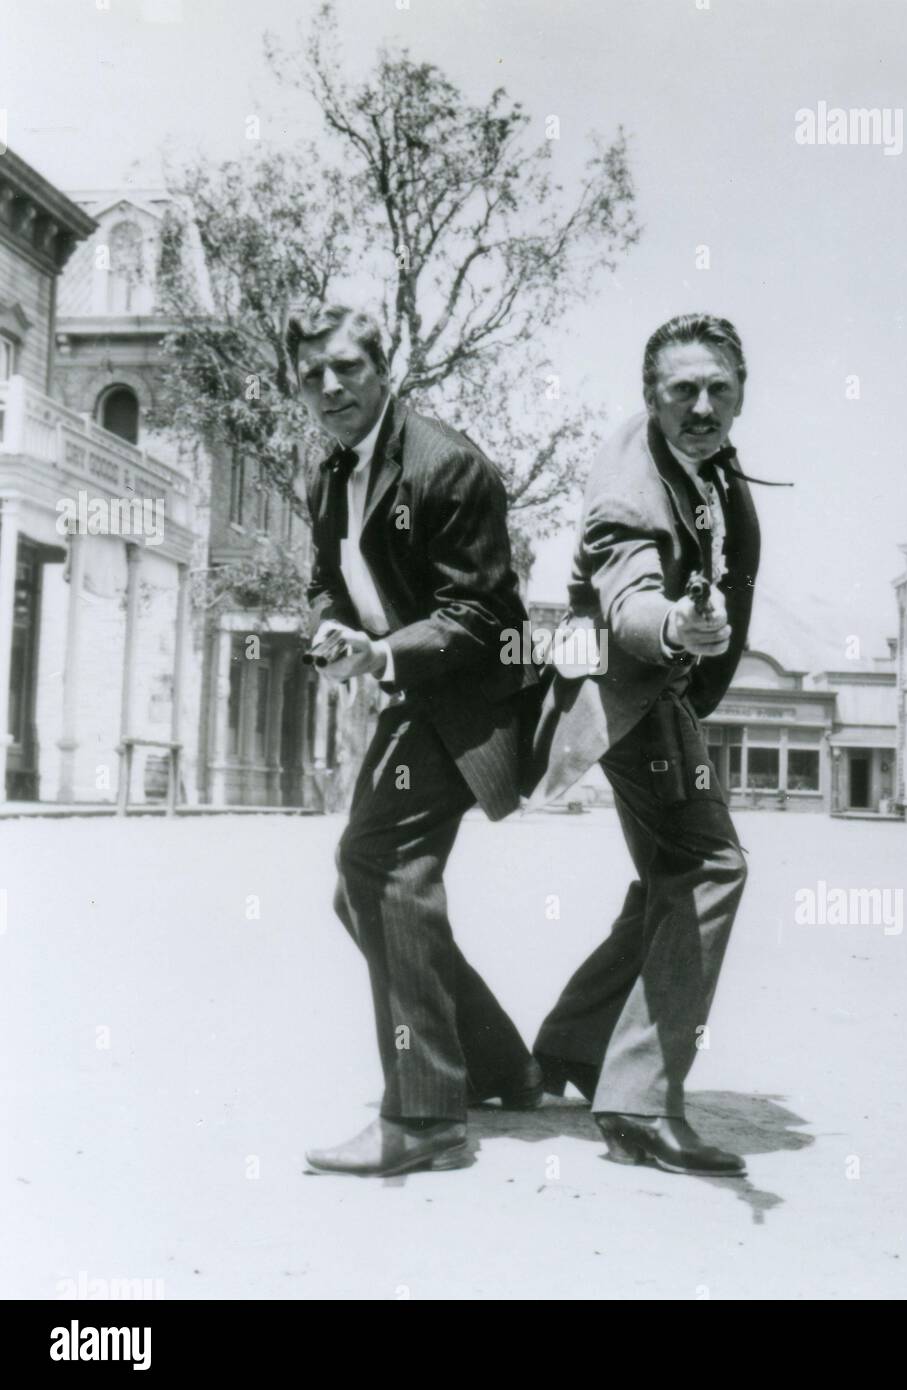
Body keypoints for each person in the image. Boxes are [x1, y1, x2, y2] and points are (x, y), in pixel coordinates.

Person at [292, 302, 541, 1178]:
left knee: (381, 870)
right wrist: (330, 630)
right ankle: (501, 1067)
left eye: (348, 368)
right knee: (358, 891)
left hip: (474, 704)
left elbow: (484, 616)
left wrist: (382, 650)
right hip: (413, 699)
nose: (331, 387)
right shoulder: (329, 473)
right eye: (314, 372)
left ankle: (427, 1119)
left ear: (382, 368)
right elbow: (326, 580)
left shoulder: (448, 466)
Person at [528, 312, 762, 1176]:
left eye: (718, 389)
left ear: (740, 391)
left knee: (672, 874)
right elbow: (629, 597)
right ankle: (635, 1103)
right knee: (709, 868)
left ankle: (577, 1047)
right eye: (682, 391)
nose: (701, 406)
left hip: (652, 694)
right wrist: (676, 626)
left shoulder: (697, 454)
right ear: (650, 397)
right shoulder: (629, 486)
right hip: (627, 691)